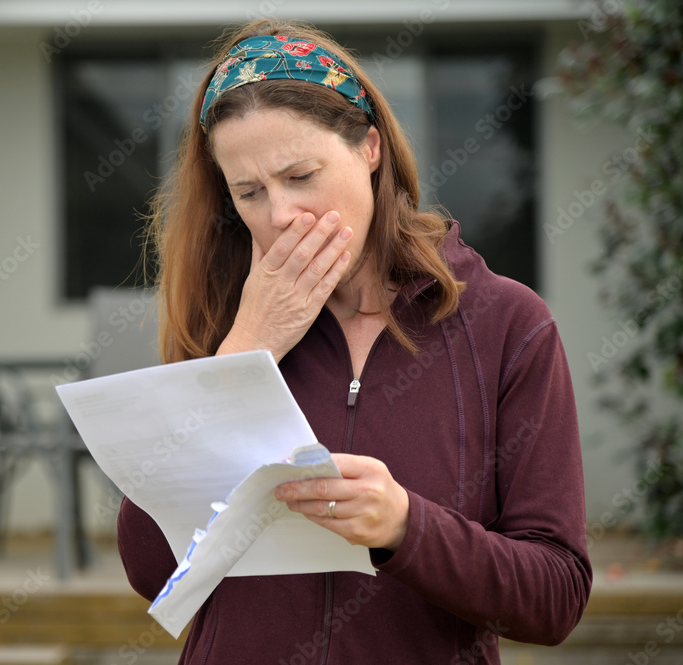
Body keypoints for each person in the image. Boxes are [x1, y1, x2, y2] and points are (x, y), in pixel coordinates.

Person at [118, 18, 592, 665]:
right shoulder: (224, 324)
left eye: (301, 174)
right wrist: (244, 353)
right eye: (249, 192)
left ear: (370, 148)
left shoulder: (508, 324)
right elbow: (150, 568)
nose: (280, 214)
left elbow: (555, 598)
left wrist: (406, 526)